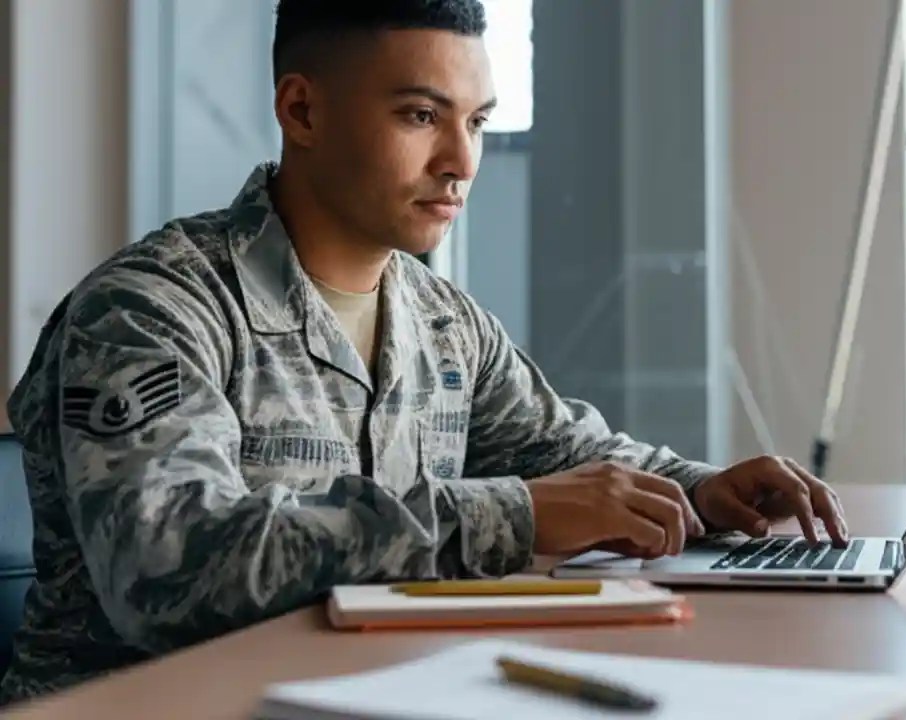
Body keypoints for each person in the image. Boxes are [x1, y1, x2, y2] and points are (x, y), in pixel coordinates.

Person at [0, 0, 848, 704]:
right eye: (420, 116)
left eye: (476, 122)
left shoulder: (441, 320)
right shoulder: (152, 308)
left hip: (364, 698)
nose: (461, 161)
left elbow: (570, 454)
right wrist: (513, 514)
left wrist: (701, 487)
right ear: (302, 110)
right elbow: (167, 569)